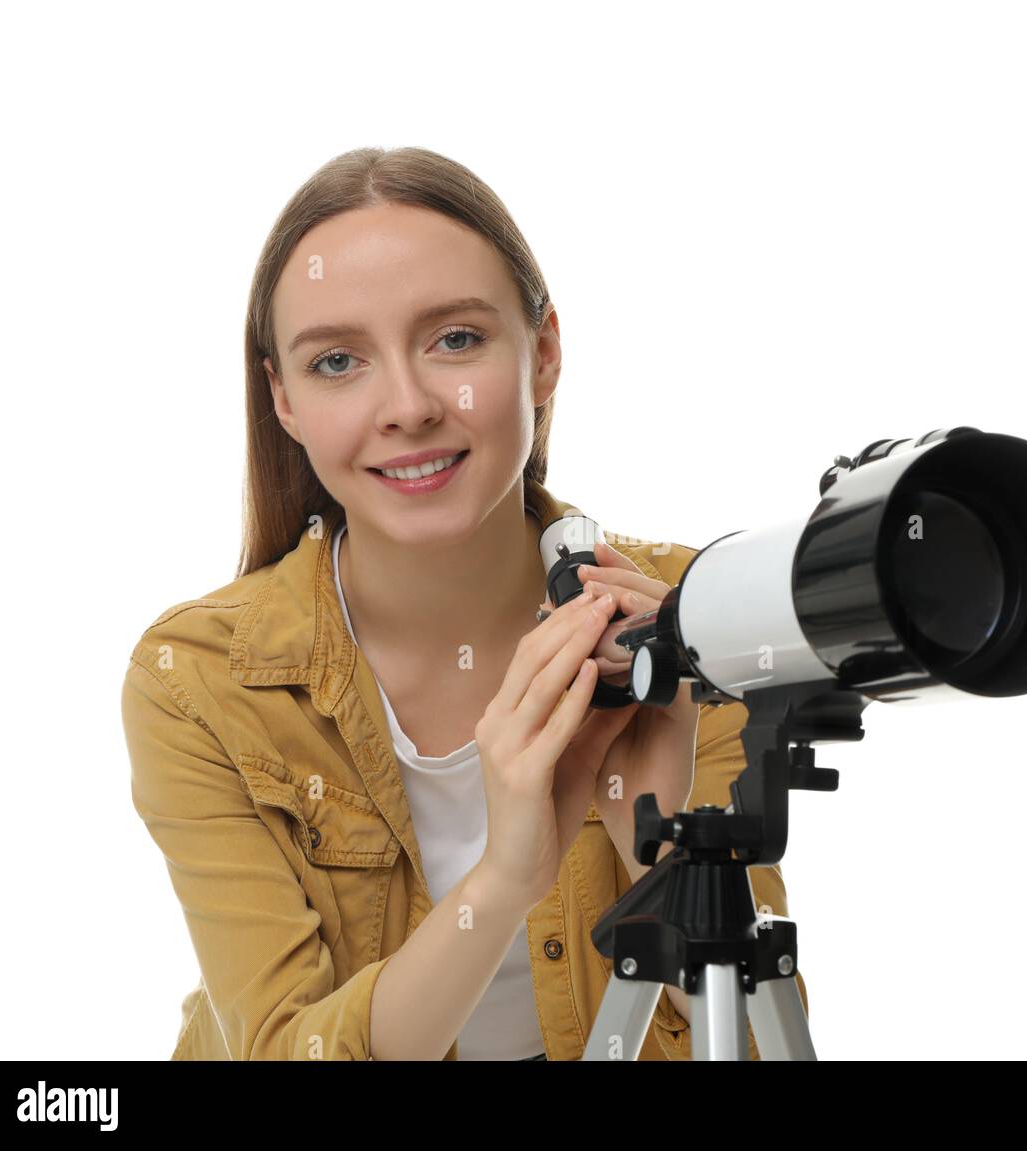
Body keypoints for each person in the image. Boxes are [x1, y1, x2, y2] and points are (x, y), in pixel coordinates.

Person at [121, 145, 809, 1060]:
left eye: (455, 339)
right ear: (282, 400)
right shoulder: (198, 682)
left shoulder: (693, 622)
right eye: (336, 360)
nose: (406, 406)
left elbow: (755, 1035)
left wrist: (666, 852)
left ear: (544, 354)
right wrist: (504, 879)